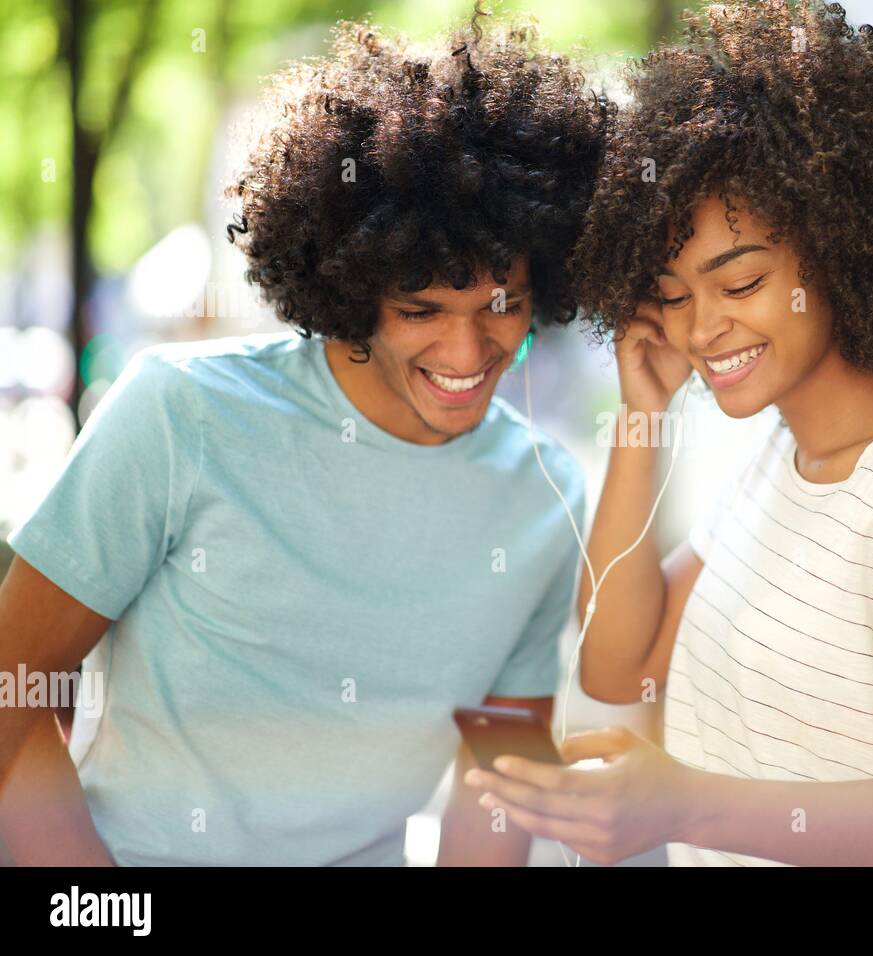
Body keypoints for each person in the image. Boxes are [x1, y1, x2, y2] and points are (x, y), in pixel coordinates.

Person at [0, 17, 608, 866]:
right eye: (421, 310)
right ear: (353, 289)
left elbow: (501, 770)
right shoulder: (181, 415)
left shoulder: (546, 496)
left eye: (499, 304)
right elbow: (15, 688)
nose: (468, 355)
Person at [465, 0, 873, 866]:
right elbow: (617, 667)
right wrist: (641, 416)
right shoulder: (788, 454)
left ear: (843, 249)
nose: (701, 330)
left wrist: (685, 807)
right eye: (673, 293)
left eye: (741, 284)